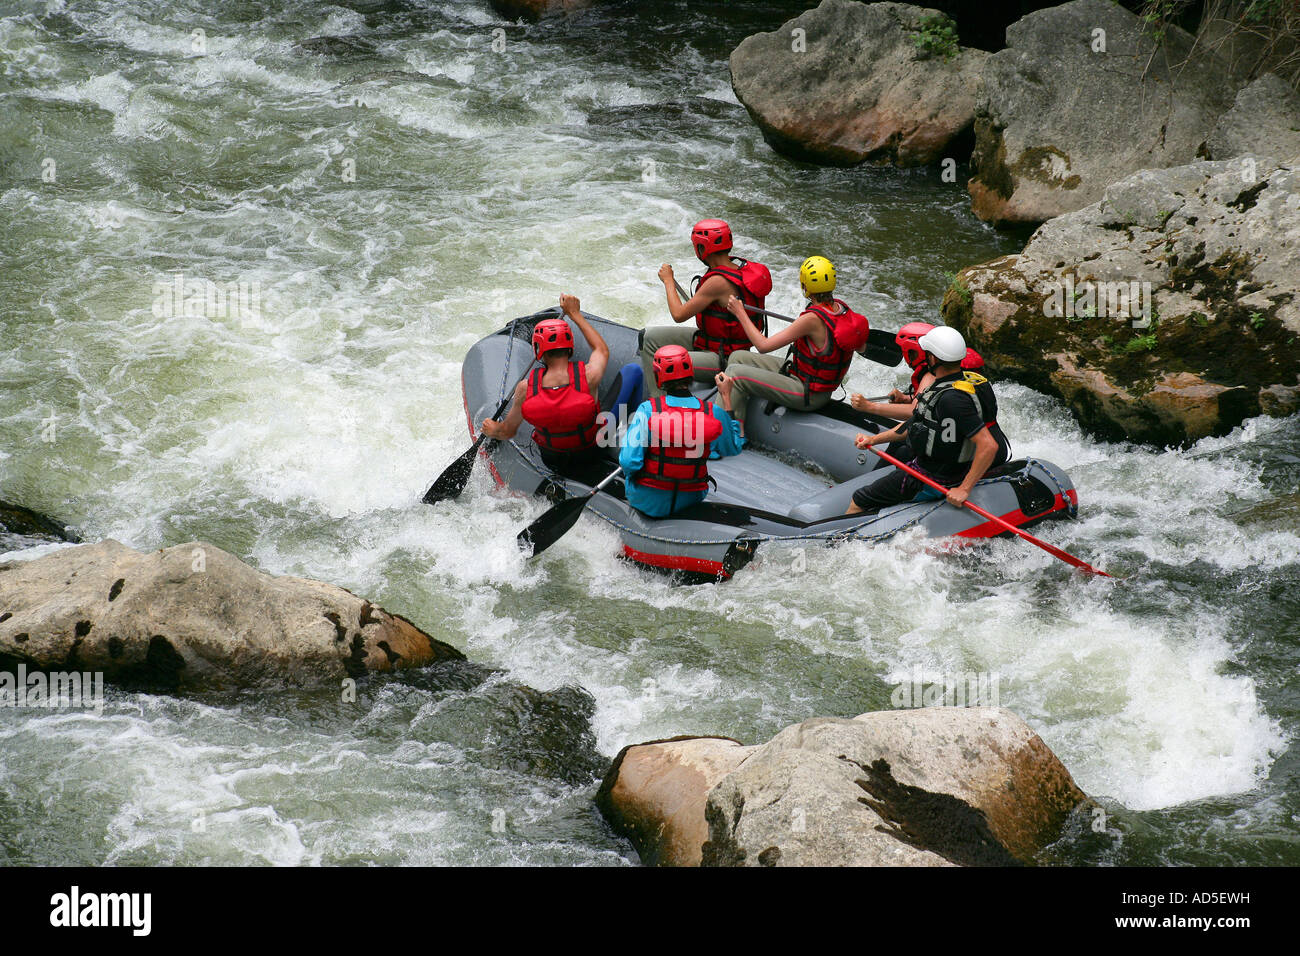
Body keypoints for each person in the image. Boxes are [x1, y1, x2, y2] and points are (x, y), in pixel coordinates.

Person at [846, 326, 1011, 514]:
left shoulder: (951, 399)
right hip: (948, 470)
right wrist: (873, 440)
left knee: (859, 498)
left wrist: (964, 489)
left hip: (932, 479)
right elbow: (914, 425)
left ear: (933, 358)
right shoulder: (965, 383)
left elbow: (988, 445)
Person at [715, 255, 869, 431]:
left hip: (807, 394)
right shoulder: (842, 310)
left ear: (805, 286)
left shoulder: (812, 319)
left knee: (735, 373)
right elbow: (860, 347)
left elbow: (763, 346)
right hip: (804, 377)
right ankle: (738, 413)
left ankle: (725, 435)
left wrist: (739, 312)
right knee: (737, 357)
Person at [481, 294, 611, 486]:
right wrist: (575, 314)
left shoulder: (525, 388)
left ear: (537, 349)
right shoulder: (589, 375)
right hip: (590, 453)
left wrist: (493, 429)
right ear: (570, 347)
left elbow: (507, 432)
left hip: (553, 459)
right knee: (625, 382)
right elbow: (601, 350)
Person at [640, 219, 771, 399]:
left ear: (702, 248)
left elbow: (678, 315)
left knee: (663, 361)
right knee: (648, 338)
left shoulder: (717, 282)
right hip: (716, 342)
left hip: (723, 358)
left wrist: (668, 280)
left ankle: (660, 406)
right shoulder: (741, 269)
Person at [620, 345, 744, 518]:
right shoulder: (713, 412)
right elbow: (733, 447)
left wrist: (637, 478)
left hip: (646, 500)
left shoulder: (648, 409)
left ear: (658, 376)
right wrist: (726, 398)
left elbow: (628, 462)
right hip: (691, 500)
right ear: (690, 373)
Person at [850, 321, 987, 422]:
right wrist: (906, 398)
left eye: (909, 353)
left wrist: (869, 406)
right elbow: (933, 400)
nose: (906, 357)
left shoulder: (931, 375)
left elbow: (913, 412)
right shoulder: (950, 368)